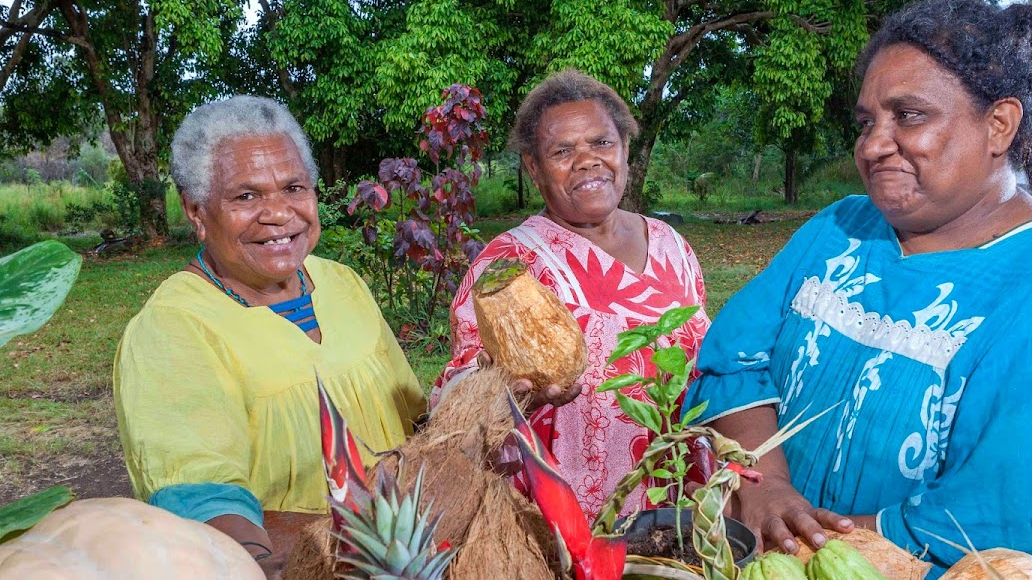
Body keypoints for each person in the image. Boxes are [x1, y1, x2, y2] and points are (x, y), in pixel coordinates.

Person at [684, 0, 1032, 579]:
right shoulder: (838, 230)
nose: (873, 145)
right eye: (867, 122)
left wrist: (809, 541)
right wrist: (766, 487)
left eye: (910, 116)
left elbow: (999, 515)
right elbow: (734, 360)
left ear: (999, 125)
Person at [113, 96, 426, 574]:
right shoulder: (174, 328)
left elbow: (414, 415)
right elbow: (201, 495)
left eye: (294, 187)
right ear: (196, 211)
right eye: (246, 196)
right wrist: (265, 565)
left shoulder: (341, 283)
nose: (278, 213)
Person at [431, 70, 710, 519]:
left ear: (624, 148)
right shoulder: (508, 264)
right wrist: (506, 394)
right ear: (534, 168)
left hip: (674, 503)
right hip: (563, 519)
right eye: (563, 151)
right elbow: (458, 396)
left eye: (601, 143)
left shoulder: (670, 244)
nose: (587, 160)